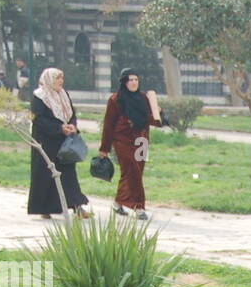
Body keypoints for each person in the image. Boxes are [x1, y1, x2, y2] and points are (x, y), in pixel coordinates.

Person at [27, 67, 91, 219]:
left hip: (64, 141)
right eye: (57, 78)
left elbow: (71, 114)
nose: (60, 81)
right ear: (49, 79)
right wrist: (58, 128)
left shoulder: (63, 94)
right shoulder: (39, 96)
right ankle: (45, 208)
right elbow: (38, 119)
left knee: (68, 174)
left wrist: (72, 125)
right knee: (46, 175)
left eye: (62, 78)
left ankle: (77, 206)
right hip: (46, 142)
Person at [99, 68, 162, 221]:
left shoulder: (143, 98)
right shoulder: (115, 100)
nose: (134, 82)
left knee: (135, 172)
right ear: (124, 82)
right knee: (131, 170)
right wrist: (104, 148)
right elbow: (108, 124)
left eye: (136, 80)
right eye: (130, 80)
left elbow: (150, 119)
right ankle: (138, 206)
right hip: (123, 140)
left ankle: (118, 202)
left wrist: (159, 114)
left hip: (142, 140)